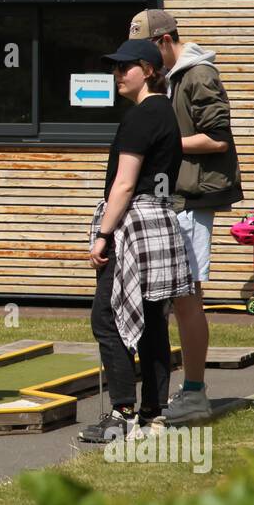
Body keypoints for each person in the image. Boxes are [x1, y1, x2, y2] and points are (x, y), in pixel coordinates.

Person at [131, 9, 244, 426]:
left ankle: (195, 392)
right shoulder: (175, 76)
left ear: (164, 41)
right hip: (176, 198)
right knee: (177, 299)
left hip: (193, 202)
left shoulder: (198, 75)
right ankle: (188, 389)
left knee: (187, 297)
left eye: (146, 53)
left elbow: (217, 138)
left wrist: (164, 144)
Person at [79, 39, 193, 443]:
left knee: (107, 318)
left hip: (133, 223)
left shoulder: (141, 116)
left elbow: (124, 183)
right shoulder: (165, 111)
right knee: (152, 321)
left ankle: (122, 413)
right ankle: (153, 414)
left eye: (124, 67)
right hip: (161, 219)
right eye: (115, 67)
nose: (117, 74)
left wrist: (103, 234)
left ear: (147, 69)